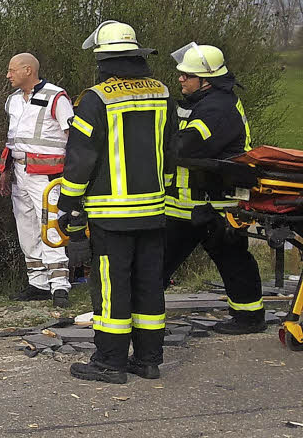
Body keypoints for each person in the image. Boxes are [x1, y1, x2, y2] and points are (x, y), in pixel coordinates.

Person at [61, 21, 177, 384]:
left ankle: (110, 362)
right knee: (148, 284)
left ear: (104, 60)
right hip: (154, 210)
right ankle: (148, 361)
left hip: (112, 215)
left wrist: (70, 202)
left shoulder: (97, 98)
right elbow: (172, 149)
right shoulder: (162, 93)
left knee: (113, 289)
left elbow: (81, 158)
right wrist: (166, 189)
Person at [164, 43, 264, 335]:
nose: (181, 79)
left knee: (231, 259)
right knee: (160, 261)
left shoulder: (217, 109)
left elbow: (185, 146)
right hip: (190, 203)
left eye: (187, 75)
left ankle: (249, 318)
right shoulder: (202, 102)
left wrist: (157, 139)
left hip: (212, 204)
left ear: (206, 80)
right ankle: (249, 317)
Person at [0, 53, 74, 308]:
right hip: (20, 171)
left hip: (46, 174)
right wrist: (6, 171)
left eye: (12, 70)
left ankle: (60, 286)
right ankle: (38, 283)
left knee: (51, 225)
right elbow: (13, 140)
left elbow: (72, 136)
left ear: (28, 70)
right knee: (27, 229)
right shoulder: (12, 101)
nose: (8, 75)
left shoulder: (56, 96)